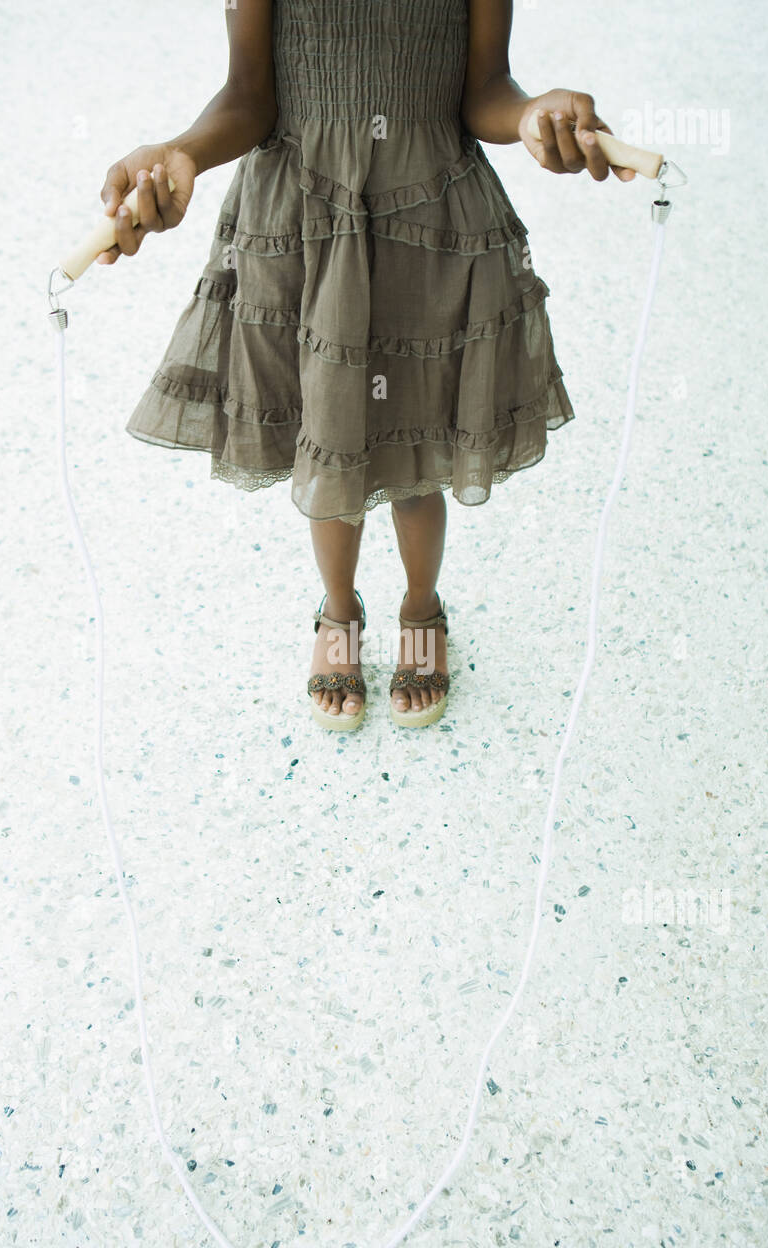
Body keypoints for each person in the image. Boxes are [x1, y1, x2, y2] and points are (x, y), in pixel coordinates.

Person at [98, 0, 635, 731]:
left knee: (417, 440)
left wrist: (533, 115)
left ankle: (421, 606)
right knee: (330, 435)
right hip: (304, 219)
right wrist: (184, 150)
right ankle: (339, 610)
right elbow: (248, 97)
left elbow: (486, 92)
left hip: (431, 218)